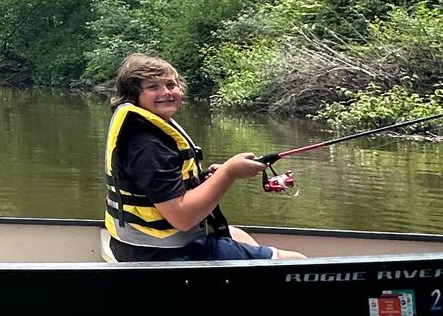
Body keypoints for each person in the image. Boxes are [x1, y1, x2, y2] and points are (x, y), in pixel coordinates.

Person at [103, 53, 302, 262]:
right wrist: (228, 173)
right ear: (134, 95)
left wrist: (207, 178)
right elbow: (182, 217)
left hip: (142, 246)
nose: (166, 93)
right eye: (153, 87)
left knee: (238, 235)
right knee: (295, 260)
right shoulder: (146, 145)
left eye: (171, 85)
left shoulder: (148, 127)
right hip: (163, 254)